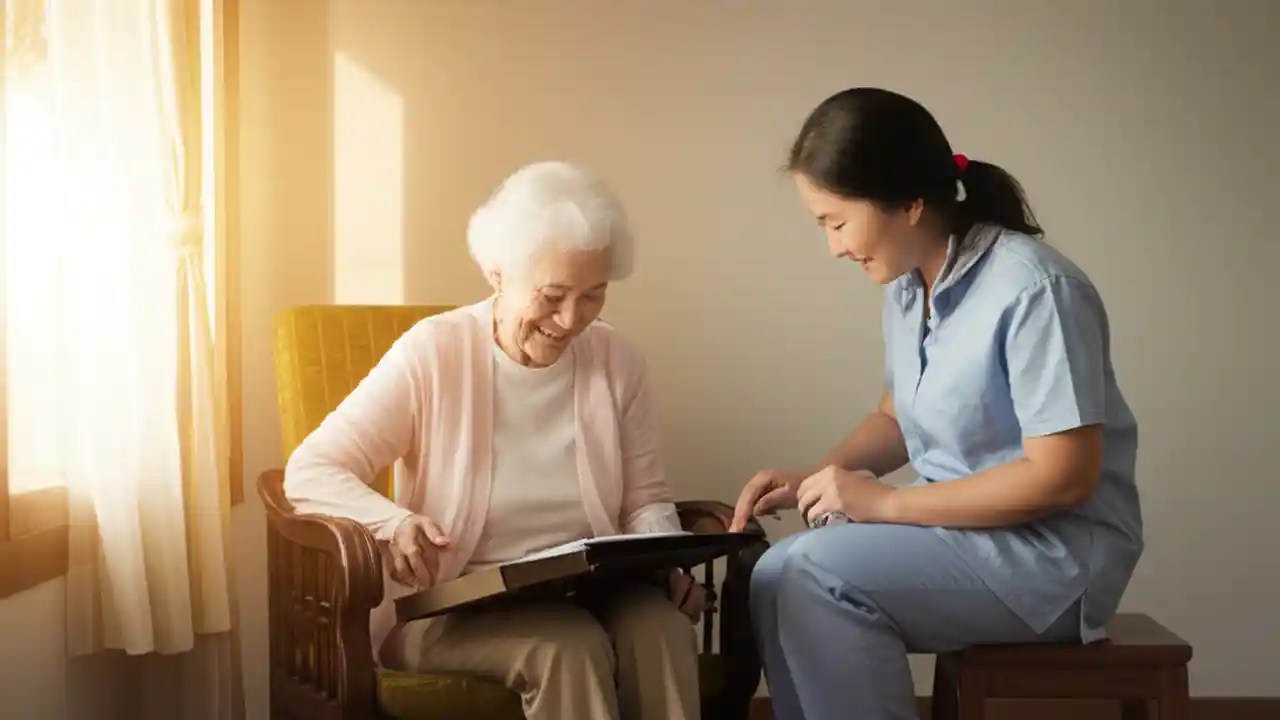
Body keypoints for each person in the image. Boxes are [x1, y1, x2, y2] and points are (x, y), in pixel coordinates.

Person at [729, 88, 1142, 720]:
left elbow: (1064, 476)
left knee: (813, 574)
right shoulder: (906, 287)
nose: (833, 247)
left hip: (1051, 558)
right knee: (773, 575)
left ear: (910, 204)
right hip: (960, 536)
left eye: (836, 223)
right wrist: (816, 478)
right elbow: (895, 419)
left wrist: (885, 503)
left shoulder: (1036, 290)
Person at [285, 161, 706, 720]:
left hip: (591, 593)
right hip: (450, 612)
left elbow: (646, 498)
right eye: (553, 294)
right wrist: (393, 523)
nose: (571, 318)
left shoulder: (617, 361)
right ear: (498, 275)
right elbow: (311, 470)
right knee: (567, 645)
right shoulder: (434, 353)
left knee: (662, 627)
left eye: (593, 295)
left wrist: (668, 563)